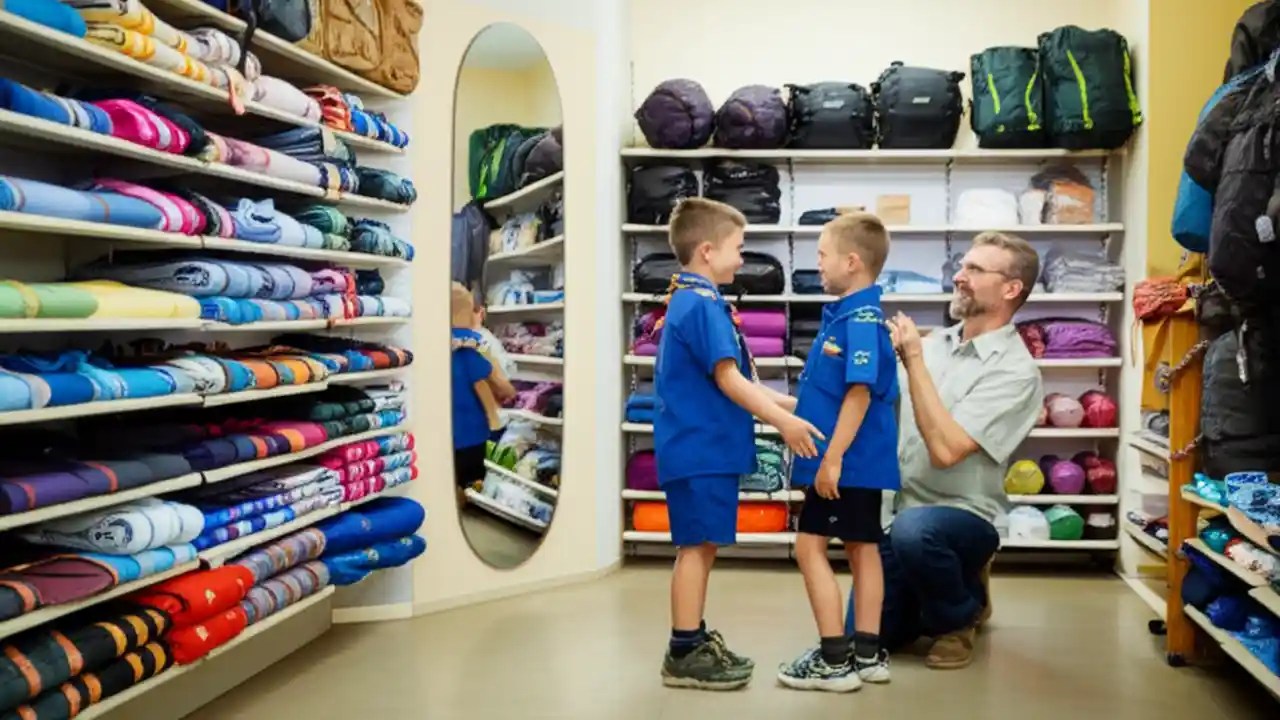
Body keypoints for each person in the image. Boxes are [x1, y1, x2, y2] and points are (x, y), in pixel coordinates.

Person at [846, 231, 1045, 670]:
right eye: (962, 265)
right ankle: (938, 591)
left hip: (962, 517)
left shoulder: (1016, 372)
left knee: (917, 533)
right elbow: (875, 410)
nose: (959, 276)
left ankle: (959, 613)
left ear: (1011, 289)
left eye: (975, 269)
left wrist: (913, 360)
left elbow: (946, 450)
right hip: (895, 515)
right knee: (863, 636)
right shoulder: (935, 346)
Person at [654, 197, 823, 691]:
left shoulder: (692, 300)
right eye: (739, 248)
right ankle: (684, 650)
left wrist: (796, 409)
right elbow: (731, 381)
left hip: (701, 449)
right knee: (696, 548)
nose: (743, 259)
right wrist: (783, 424)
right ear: (708, 250)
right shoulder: (701, 305)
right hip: (699, 450)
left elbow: (737, 378)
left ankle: (692, 638)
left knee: (701, 545)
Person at [778, 213, 898, 693]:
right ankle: (867, 655)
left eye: (822, 255)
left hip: (845, 466)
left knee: (809, 547)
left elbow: (859, 395)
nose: (818, 265)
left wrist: (831, 461)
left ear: (852, 262)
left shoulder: (861, 322)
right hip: (857, 465)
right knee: (863, 548)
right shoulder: (849, 316)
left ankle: (833, 660)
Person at [451, 282, 516, 506]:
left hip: (447, 433)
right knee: (471, 482)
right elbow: (500, 387)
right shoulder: (473, 350)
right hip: (472, 434)